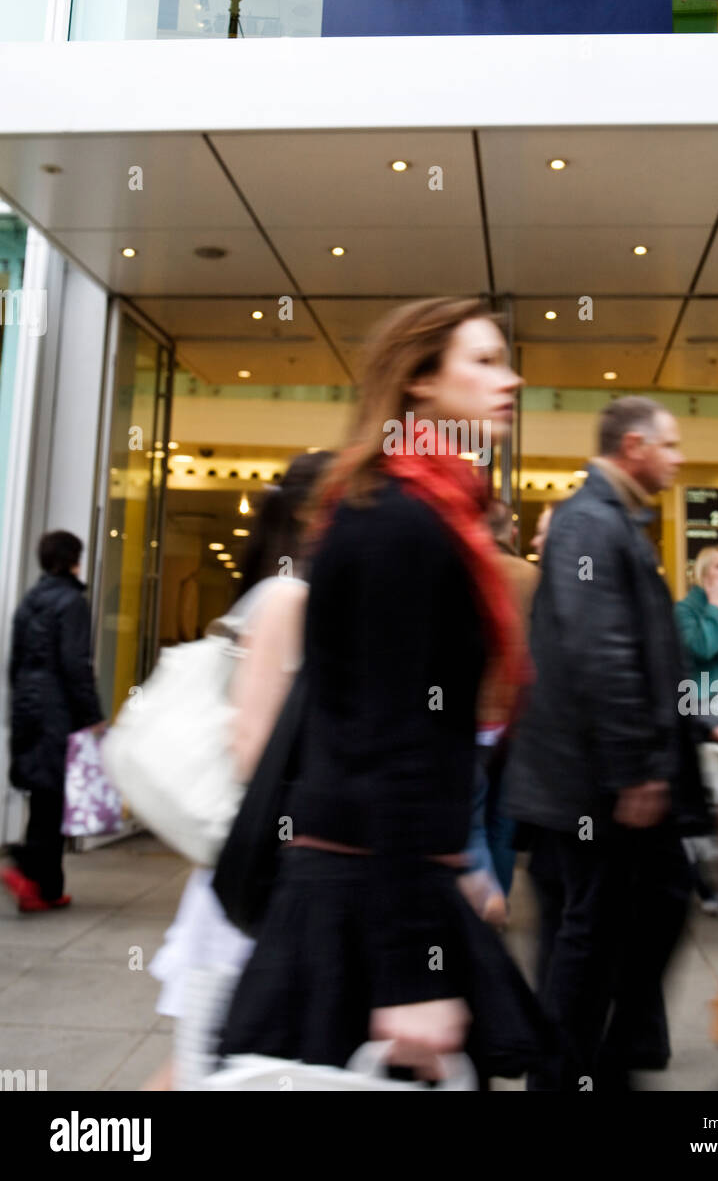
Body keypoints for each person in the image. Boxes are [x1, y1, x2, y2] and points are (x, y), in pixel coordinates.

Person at [218, 297, 552, 1084]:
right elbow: (384, 740)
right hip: (362, 892)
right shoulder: (399, 518)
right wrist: (412, 976)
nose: (512, 378)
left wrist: (457, 867)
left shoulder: (429, 509)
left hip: (390, 874)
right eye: (484, 360)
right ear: (419, 384)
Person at [506, 397, 710, 1091]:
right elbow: (602, 653)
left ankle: (600, 1060)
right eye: (671, 445)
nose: (678, 459)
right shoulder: (592, 522)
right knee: (601, 928)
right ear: (633, 446)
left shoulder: (609, 520)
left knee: (618, 916)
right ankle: (568, 1071)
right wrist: (635, 770)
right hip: (596, 782)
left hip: (598, 776)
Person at [143, 452, 333, 1091]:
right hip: (263, 873)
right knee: (206, 1064)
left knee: (212, 1062)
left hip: (262, 869)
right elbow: (253, 744)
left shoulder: (292, 592)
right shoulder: (290, 597)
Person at [2, 531, 104, 912]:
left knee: (43, 797)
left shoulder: (30, 601)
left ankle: (45, 889)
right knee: (54, 799)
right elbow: (76, 665)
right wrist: (92, 717)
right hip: (56, 711)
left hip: (28, 709)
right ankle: (26, 866)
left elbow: (15, 664)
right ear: (73, 559)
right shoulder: (71, 602)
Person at [462, 501, 538, 925]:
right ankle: (500, 904)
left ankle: (480, 907)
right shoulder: (532, 577)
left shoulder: (463, 571)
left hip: (469, 718)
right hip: (516, 720)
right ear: (510, 531)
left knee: (470, 821)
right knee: (503, 826)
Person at [675, 546, 718, 912]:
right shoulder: (685, 611)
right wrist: (716, 606)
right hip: (701, 718)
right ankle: (709, 885)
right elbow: (701, 647)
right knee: (713, 802)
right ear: (702, 575)